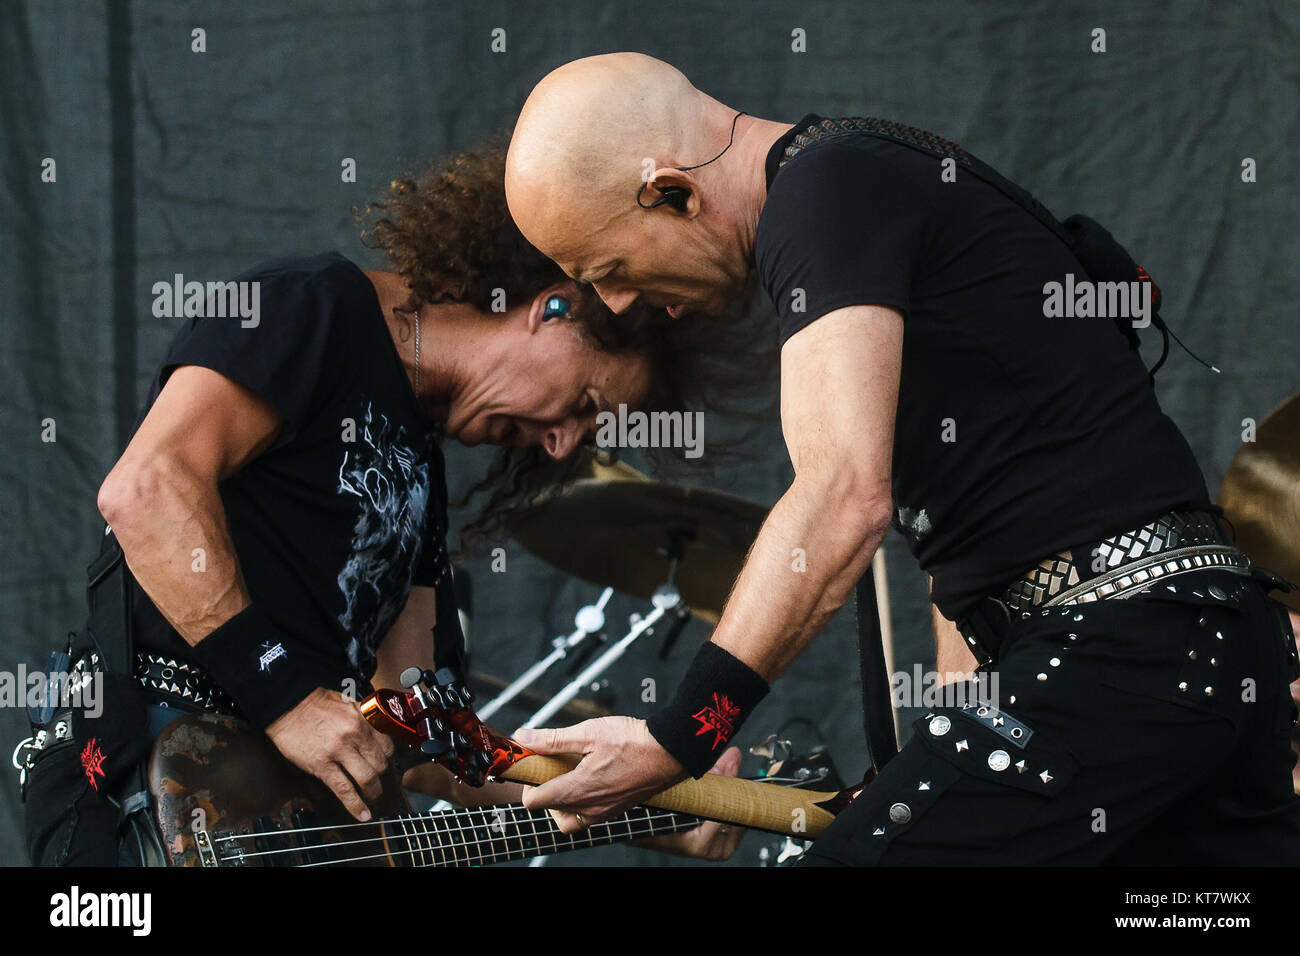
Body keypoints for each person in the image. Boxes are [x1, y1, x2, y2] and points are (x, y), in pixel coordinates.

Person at [501, 53, 1300, 864]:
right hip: (1199, 650)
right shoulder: (867, 177)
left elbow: (844, 495)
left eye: (605, 270)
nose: (620, 305)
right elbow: (971, 507)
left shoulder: (822, 194)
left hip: (1128, 652)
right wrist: (951, 732)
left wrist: (680, 736)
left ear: (673, 191)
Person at [23, 144, 743, 866]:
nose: (561, 447)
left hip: (268, 819)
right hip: (135, 773)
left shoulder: (421, 473)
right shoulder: (314, 307)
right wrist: (289, 702)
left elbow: (422, 744)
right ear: (553, 308)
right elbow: (145, 489)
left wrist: (651, 811)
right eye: (586, 405)